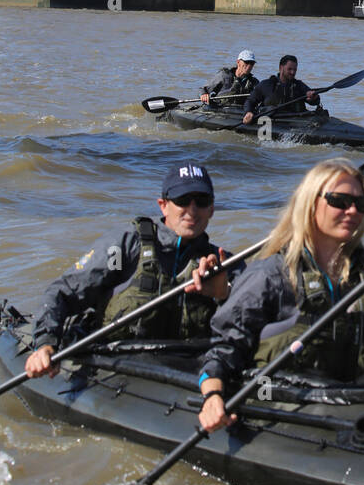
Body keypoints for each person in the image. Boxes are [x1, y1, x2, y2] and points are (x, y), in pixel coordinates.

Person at [196, 158, 364, 430]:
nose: (352, 210)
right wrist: (213, 396)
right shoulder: (269, 275)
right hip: (297, 409)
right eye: (339, 201)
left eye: (360, 204)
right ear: (311, 204)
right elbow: (224, 348)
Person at [24, 162, 236, 378]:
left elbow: (253, 325)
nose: (192, 211)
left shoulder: (225, 264)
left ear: (211, 209)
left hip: (191, 370)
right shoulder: (125, 247)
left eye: (201, 202)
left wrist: (223, 294)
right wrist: (45, 343)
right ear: (163, 205)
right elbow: (63, 292)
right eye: (182, 200)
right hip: (116, 363)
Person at [242, 54, 320, 125]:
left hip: (295, 122)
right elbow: (250, 101)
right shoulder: (266, 84)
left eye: (295, 70)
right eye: (289, 69)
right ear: (281, 67)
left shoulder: (299, 85)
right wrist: (248, 112)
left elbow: (315, 101)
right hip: (272, 123)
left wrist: (314, 97)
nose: (293, 72)